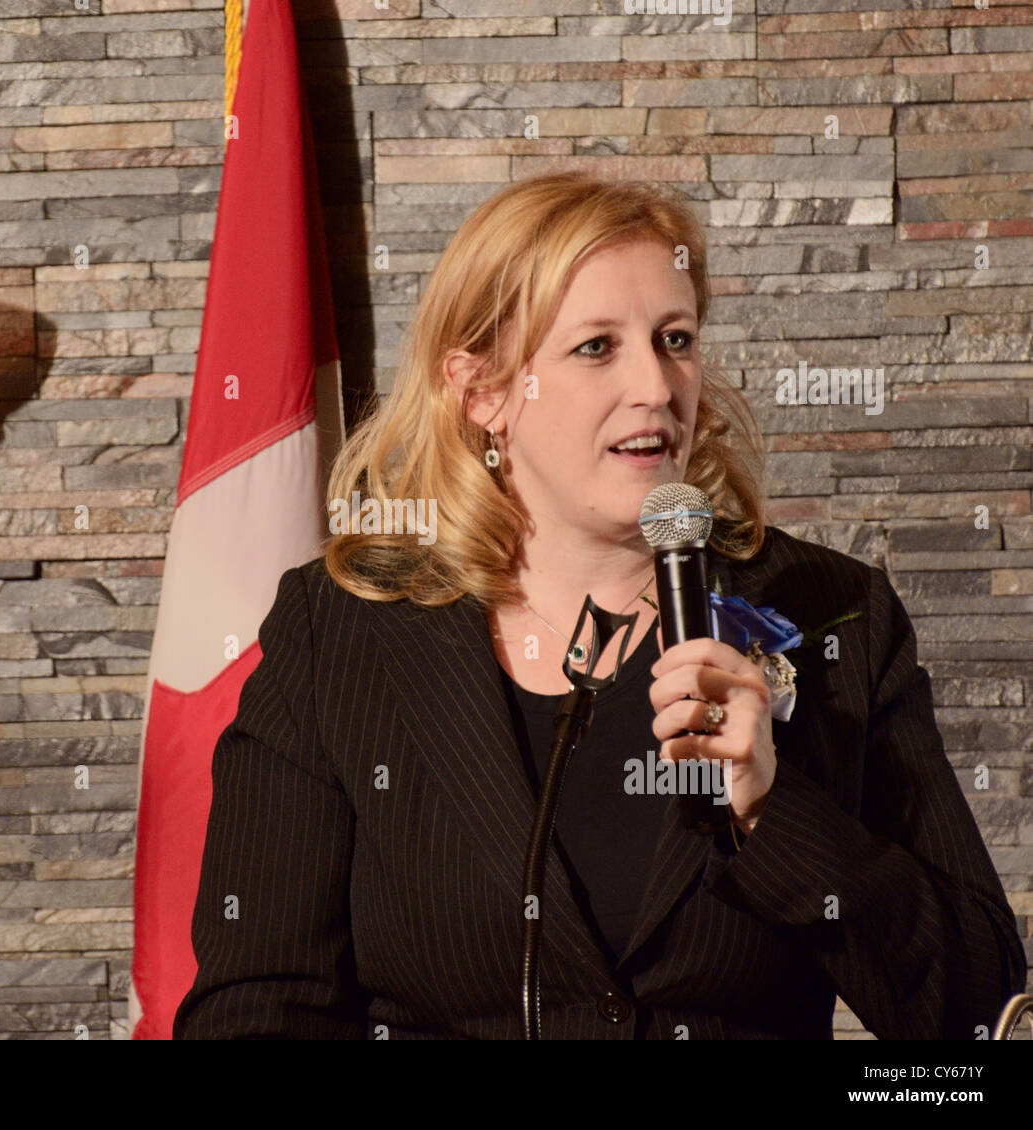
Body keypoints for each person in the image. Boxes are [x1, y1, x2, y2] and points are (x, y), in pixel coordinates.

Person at [173, 173, 1027, 1039]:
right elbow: (256, 1009)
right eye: (596, 348)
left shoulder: (833, 615)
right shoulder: (342, 631)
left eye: (675, 339)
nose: (657, 387)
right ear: (483, 393)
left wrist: (774, 809)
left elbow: (977, 1008)